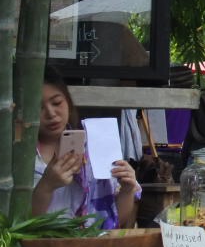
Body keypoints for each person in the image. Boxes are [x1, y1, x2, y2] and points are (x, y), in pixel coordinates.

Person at [32, 65, 140, 228]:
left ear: (67, 100)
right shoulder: (21, 156)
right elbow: (18, 225)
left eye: (56, 102)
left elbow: (118, 222)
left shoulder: (96, 145)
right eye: (38, 107)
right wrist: (46, 187)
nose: (51, 114)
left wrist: (127, 190)